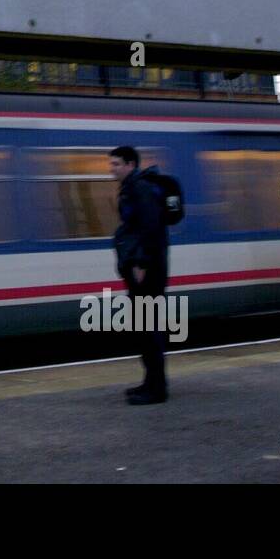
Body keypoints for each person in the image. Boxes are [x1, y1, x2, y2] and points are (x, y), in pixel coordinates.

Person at [109, 145, 169, 405]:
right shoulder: (132, 187)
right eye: (112, 164)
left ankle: (156, 389)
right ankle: (150, 382)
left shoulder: (140, 188)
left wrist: (142, 263)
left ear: (131, 164)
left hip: (147, 270)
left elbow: (150, 226)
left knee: (148, 328)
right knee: (143, 327)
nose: (112, 169)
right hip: (142, 267)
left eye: (117, 164)